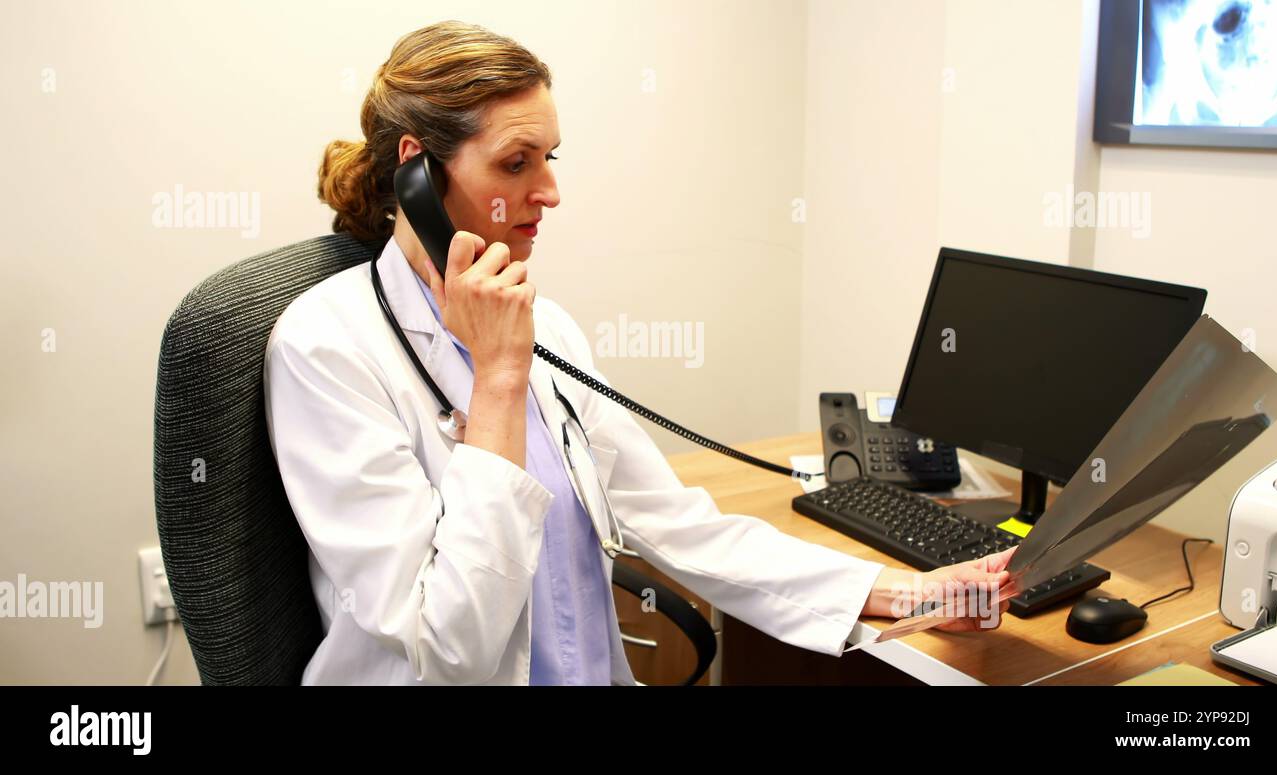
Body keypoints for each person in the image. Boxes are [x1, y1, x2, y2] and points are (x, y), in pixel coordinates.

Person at [263, 20, 1017, 686]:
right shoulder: (327, 348)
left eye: (552, 157)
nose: (551, 191)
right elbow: (450, 646)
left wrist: (894, 590)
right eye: (517, 163)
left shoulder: (546, 329)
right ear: (418, 171)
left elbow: (676, 522)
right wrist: (495, 380)